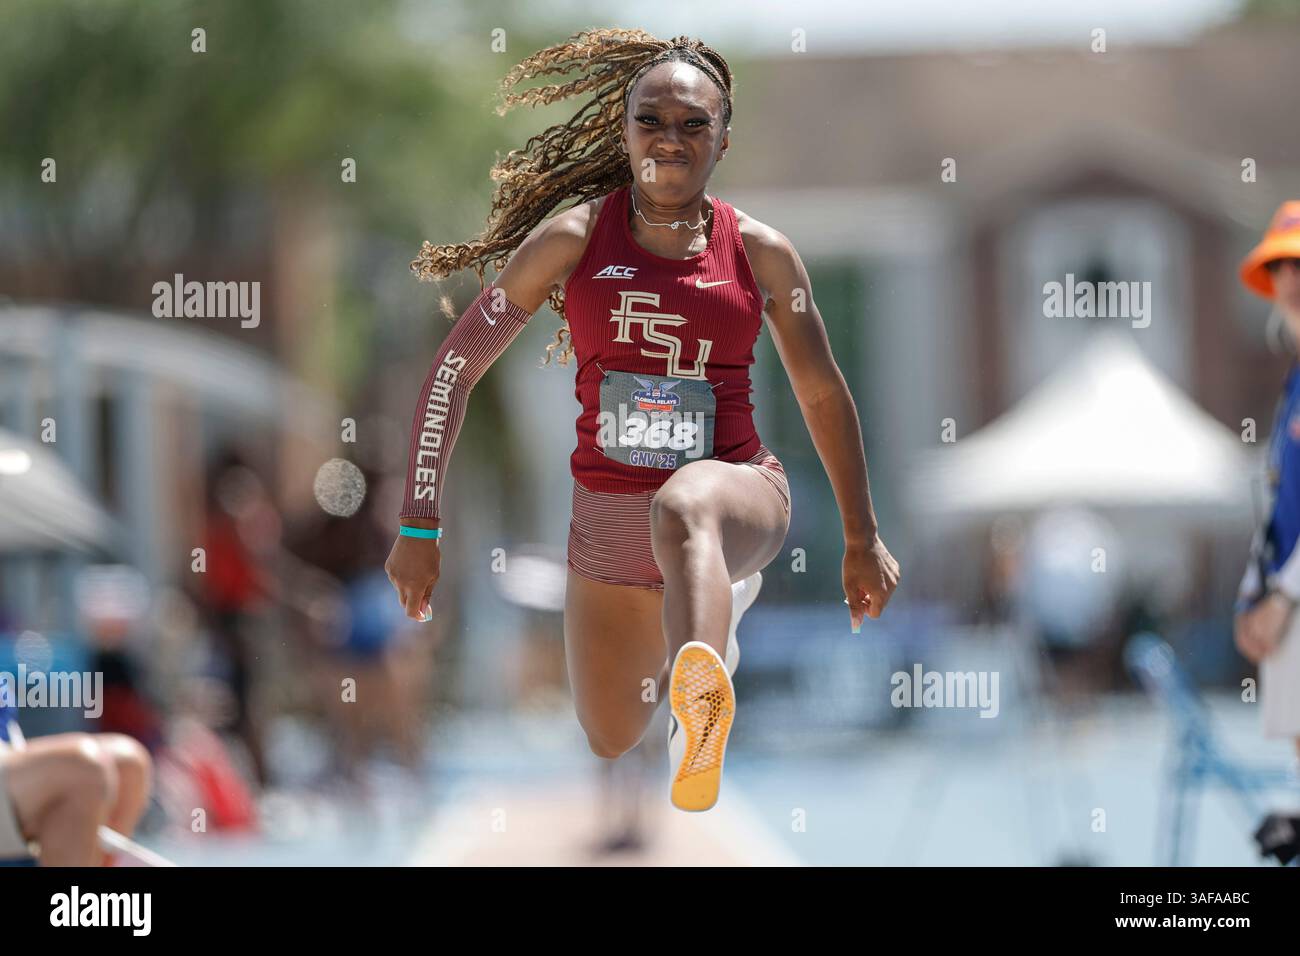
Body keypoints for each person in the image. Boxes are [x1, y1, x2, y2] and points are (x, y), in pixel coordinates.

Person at [386, 29, 900, 812]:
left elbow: (823, 395)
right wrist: (420, 525)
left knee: (685, 504)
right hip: (607, 524)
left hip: (735, 494)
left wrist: (862, 537)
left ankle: (702, 685)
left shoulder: (761, 254)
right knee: (609, 731)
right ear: (624, 135)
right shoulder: (573, 239)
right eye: (651, 120)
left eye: (694, 124)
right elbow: (455, 368)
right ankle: (704, 629)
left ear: (723, 140)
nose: (671, 138)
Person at [1234, 200, 1300, 765]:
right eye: (1282, 267)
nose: (1292, 280)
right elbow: (1281, 502)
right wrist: (1253, 596)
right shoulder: (1293, 384)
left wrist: (1286, 593)